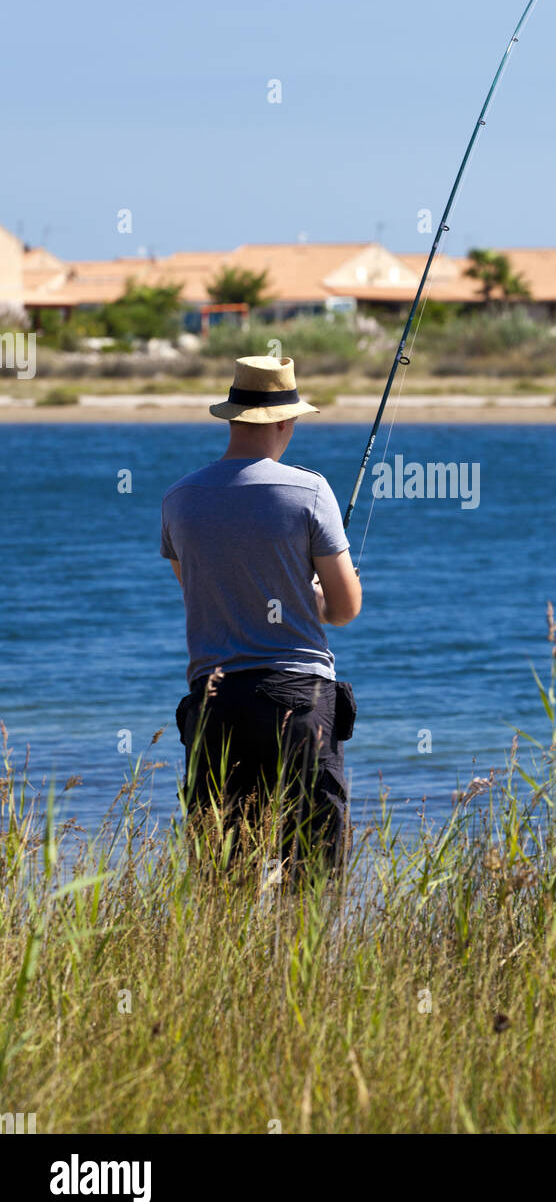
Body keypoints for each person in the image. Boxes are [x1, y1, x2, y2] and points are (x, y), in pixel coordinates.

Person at [160, 354, 362, 871]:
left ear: (231, 417)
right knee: (311, 881)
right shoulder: (309, 490)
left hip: (215, 704)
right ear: (286, 420)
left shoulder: (179, 498)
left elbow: (201, 594)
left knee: (223, 881)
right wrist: (308, 593)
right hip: (296, 702)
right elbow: (344, 609)